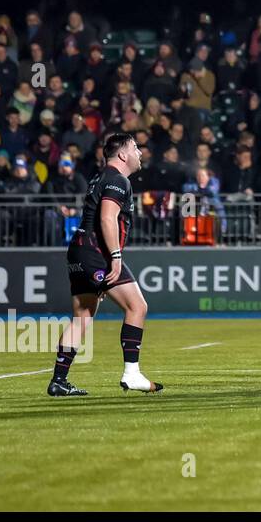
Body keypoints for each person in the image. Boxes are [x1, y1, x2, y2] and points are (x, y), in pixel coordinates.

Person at [48, 132, 163, 396]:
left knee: (83, 316)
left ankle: (58, 380)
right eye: (135, 147)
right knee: (137, 306)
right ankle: (132, 373)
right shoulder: (117, 179)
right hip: (95, 251)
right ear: (122, 154)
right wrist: (115, 257)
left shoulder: (100, 177)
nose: (139, 152)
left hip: (78, 250)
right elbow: (107, 219)